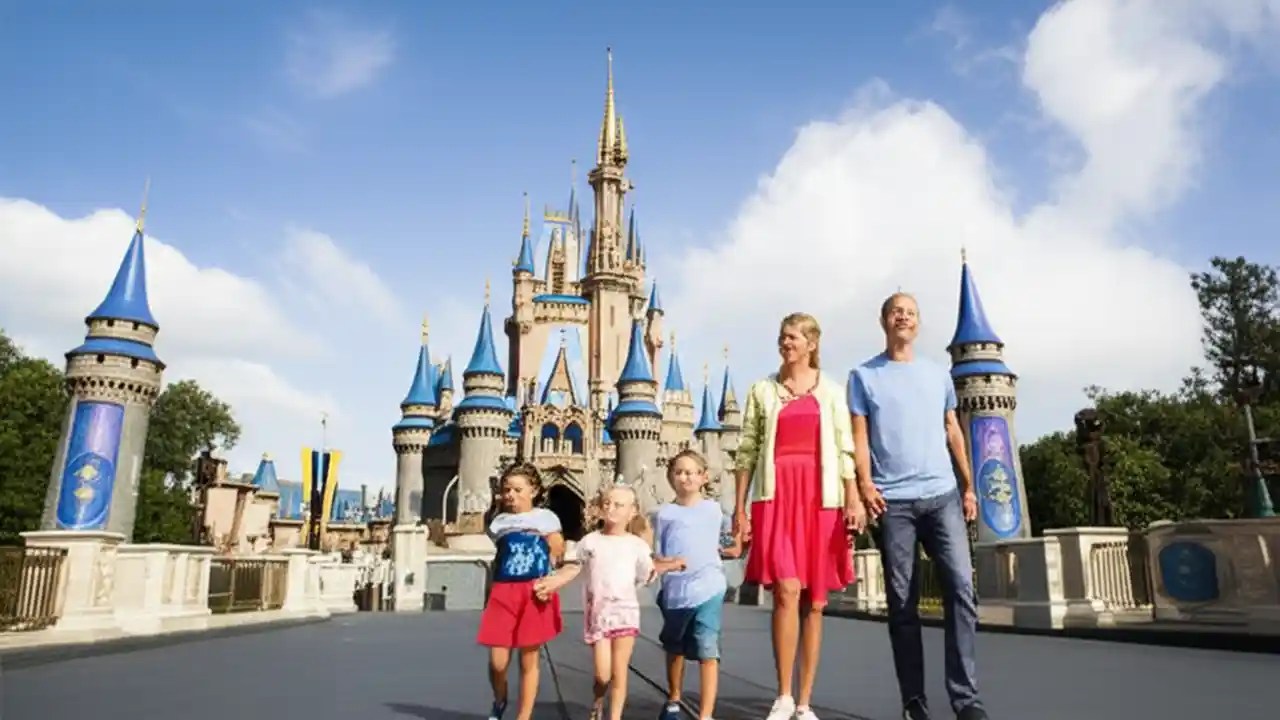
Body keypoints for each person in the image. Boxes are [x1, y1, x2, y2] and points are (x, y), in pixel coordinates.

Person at [848, 292, 989, 720]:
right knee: (903, 602)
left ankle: (965, 699)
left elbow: (953, 431)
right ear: (884, 321)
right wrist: (865, 483)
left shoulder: (937, 375)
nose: (902, 317)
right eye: (896, 311)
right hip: (894, 503)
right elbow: (858, 436)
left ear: (918, 323)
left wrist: (968, 486)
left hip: (943, 494)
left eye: (909, 312)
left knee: (962, 590)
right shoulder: (863, 375)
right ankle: (914, 701)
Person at [733, 312, 866, 720]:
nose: (785, 343)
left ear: (811, 343)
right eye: (782, 337)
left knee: (814, 601)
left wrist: (853, 498)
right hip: (776, 496)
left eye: (792, 337)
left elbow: (845, 450)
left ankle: (805, 701)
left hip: (820, 499)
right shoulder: (762, 390)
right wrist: (740, 509)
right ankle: (783, 694)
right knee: (787, 592)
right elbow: (747, 449)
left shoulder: (832, 392)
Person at [535, 485, 683, 720]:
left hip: (625, 613)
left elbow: (648, 571)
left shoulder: (636, 545)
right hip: (599, 615)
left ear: (632, 511)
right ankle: (598, 698)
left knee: (619, 672)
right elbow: (573, 568)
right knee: (602, 675)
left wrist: (669, 565)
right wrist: (553, 583)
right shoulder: (590, 542)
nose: (611, 509)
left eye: (618, 505)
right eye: (608, 504)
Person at [652, 449, 741, 720]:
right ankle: (674, 698)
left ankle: (706, 714)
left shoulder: (714, 510)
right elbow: (658, 554)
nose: (684, 477)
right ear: (670, 478)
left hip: (709, 587)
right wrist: (666, 565)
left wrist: (732, 546)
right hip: (676, 592)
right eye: (678, 472)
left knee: (707, 649)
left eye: (690, 472)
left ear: (703, 477)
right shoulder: (665, 514)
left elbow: (729, 541)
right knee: (675, 647)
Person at [475, 463, 565, 720]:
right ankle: (500, 697)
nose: (510, 495)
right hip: (503, 591)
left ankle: (523, 716)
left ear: (533, 490)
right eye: (506, 490)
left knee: (529, 658)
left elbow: (557, 547)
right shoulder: (499, 522)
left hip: (533, 591)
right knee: (497, 662)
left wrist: (555, 559)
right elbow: (499, 557)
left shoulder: (546, 518)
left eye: (517, 489)